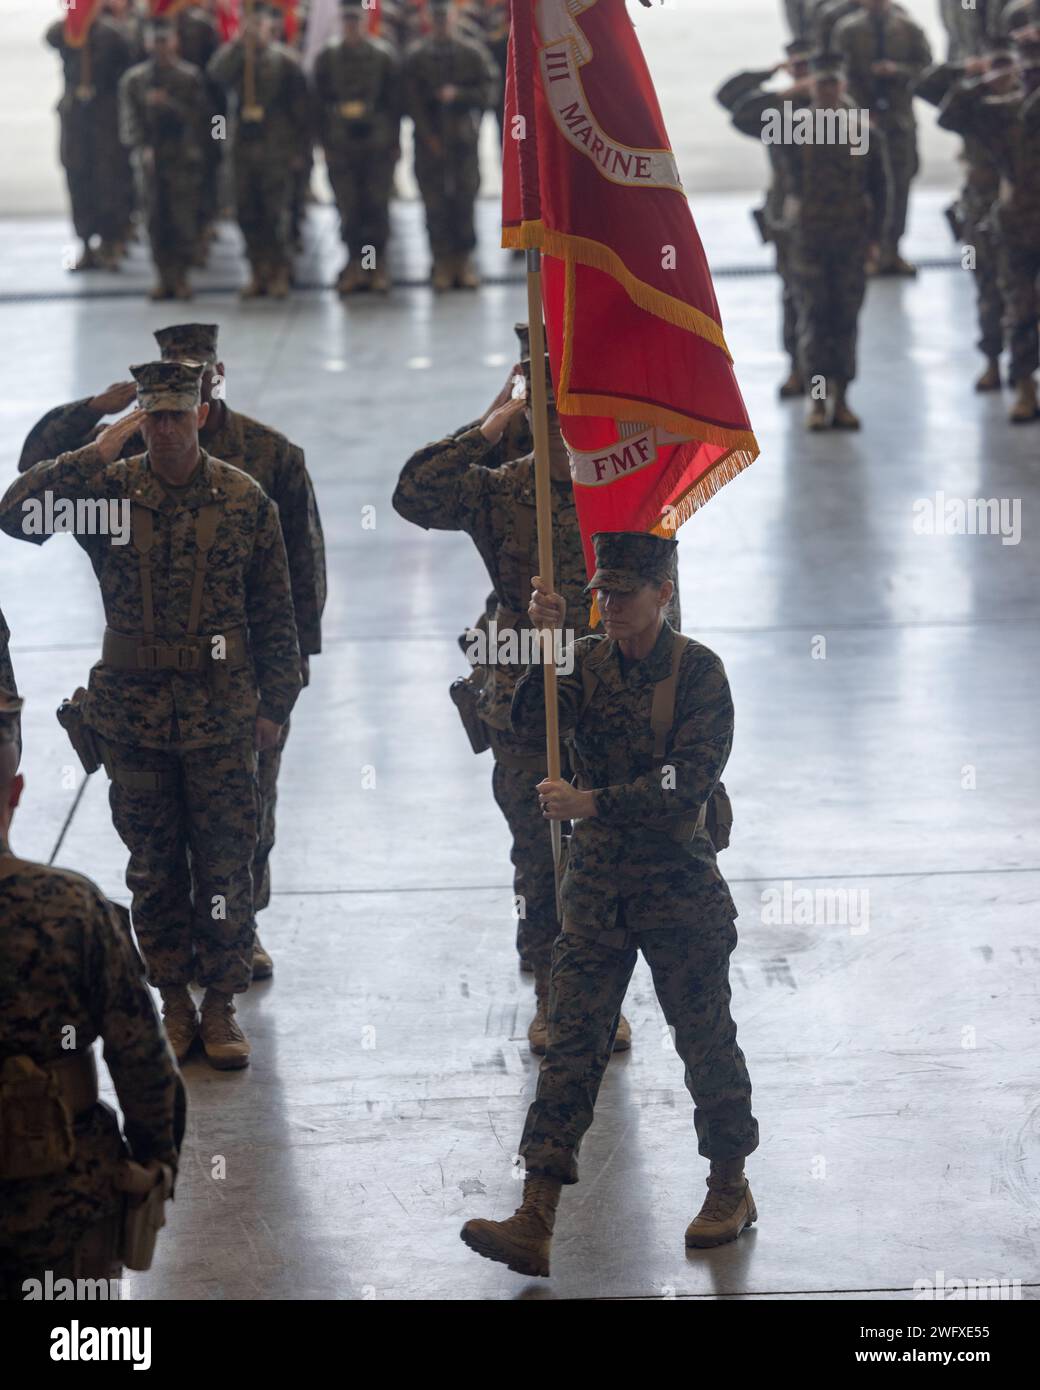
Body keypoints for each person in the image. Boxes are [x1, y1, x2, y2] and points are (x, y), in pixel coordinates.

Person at [460, 532, 759, 1277]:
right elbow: (530, 726)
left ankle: (730, 1184)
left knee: (704, 1039)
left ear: (664, 593)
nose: (612, 605)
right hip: (596, 890)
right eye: (603, 593)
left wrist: (588, 802)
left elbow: (683, 785)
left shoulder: (699, 676)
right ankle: (536, 1212)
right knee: (571, 1045)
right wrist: (548, 645)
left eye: (626, 593)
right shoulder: (587, 660)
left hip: (676, 888)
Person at [0, 360, 303, 1069]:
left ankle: (222, 1004)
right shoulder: (109, 495)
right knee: (154, 866)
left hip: (223, 716)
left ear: (200, 415)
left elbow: (275, 615)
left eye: (176, 415)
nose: (165, 430)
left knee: (227, 865)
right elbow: (16, 515)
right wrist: (100, 447)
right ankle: (173, 1000)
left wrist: (275, 708)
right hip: (133, 718)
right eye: (153, 417)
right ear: (141, 419)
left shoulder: (242, 499)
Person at [0, 688, 185, 1300]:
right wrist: (155, 1164)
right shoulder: (72, 908)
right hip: (63, 1191)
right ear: (16, 793)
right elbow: (141, 1057)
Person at [729, 51, 889, 429]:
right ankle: (817, 402)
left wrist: (877, 240)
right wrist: (784, 94)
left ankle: (843, 399)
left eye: (834, 84)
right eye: (821, 84)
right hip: (809, 241)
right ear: (811, 88)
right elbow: (743, 114)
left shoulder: (863, 131)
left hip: (850, 240)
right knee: (814, 320)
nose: (829, 91)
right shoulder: (790, 129)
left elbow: (882, 190)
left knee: (845, 320)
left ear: (844, 87)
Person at [933, 29, 1040, 422]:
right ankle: (1025, 385)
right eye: (1026, 71)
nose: (1032, 79)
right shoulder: (1002, 111)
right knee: (1019, 307)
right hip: (1017, 226)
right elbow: (949, 115)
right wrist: (980, 80)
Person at [716, 40, 815, 399]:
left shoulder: (838, 106)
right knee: (793, 294)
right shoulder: (777, 110)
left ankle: (829, 382)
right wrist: (772, 77)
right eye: (797, 66)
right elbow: (731, 102)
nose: (804, 74)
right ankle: (797, 368)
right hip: (788, 217)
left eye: (810, 66)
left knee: (833, 300)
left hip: (835, 218)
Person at [917, 45, 1012, 392]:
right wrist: (973, 75)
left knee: (1026, 292)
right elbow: (934, 97)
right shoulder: (973, 105)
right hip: (982, 207)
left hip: (1025, 208)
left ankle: (1026, 374)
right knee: (987, 288)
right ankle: (992, 361)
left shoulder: (1028, 102)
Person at [208, 2, 312, 297]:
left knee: (276, 213)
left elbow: (302, 114)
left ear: (272, 28)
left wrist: (299, 153)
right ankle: (257, 269)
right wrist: (239, 45)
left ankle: (279, 269)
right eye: (249, 24)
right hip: (243, 148)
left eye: (260, 25)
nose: (254, 30)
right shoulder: (239, 59)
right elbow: (215, 73)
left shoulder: (286, 62)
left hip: (275, 150)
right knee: (246, 211)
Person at [403, 0, 498, 290]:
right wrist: (427, 134)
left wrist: (459, 95)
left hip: (462, 142)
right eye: (436, 17)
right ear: (428, 19)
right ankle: (441, 261)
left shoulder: (472, 54)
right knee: (435, 204)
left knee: (464, 200)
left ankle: (464, 260)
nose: (441, 22)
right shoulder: (416, 57)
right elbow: (409, 101)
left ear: (454, 17)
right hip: (430, 143)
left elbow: (490, 91)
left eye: (445, 16)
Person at [833, 0, 932, 275]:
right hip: (864, 122)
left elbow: (925, 68)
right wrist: (860, 113)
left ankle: (892, 250)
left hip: (898, 121)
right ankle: (868, 251)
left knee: (899, 186)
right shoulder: (848, 30)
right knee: (865, 185)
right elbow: (841, 78)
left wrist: (897, 70)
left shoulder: (908, 28)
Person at [313, 0, 402, 294]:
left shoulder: (382, 55)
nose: (351, 26)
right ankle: (354, 264)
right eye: (346, 21)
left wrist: (394, 141)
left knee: (375, 207)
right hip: (342, 145)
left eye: (356, 20)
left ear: (365, 20)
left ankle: (374, 266)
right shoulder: (328, 57)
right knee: (349, 208)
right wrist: (324, 143)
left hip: (376, 144)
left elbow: (394, 104)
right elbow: (318, 104)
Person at [118, 18, 209, 301]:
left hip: (181, 160)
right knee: (155, 220)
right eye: (155, 41)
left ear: (175, 42)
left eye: (165, 40)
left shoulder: (189, 77)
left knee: (182, 219)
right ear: (147, 44)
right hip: (151, 162)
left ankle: (181, 276)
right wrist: (140, 146)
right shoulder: (135, 80)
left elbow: (208, 120)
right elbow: (128, 121)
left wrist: (168, 106)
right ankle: (163, 275)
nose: (160, 47)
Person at [45, 6, 135, 272]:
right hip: (76, 119)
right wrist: (74, 22)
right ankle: (86, 243)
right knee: (78, 180)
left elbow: (129, 59)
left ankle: (111, 242)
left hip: (104, 118)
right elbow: (49, 38)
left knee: (109, 181)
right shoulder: (67, 31)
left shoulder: (112, 35)